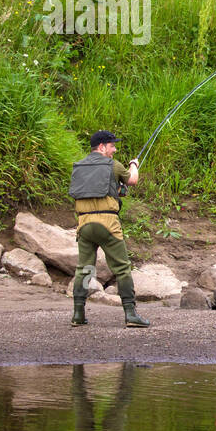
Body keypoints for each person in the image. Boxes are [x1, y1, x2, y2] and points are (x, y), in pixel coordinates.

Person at [69, 130, 149, 328]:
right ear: (102, 147)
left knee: (85, 269)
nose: (114, 149)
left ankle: (78, 314)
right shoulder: (113, 165)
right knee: (122, 269)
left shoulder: (78, 167)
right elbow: (132, 180)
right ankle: (130, 314)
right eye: (112, 146)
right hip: (108, 225)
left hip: (84, 225)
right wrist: (134, 165)